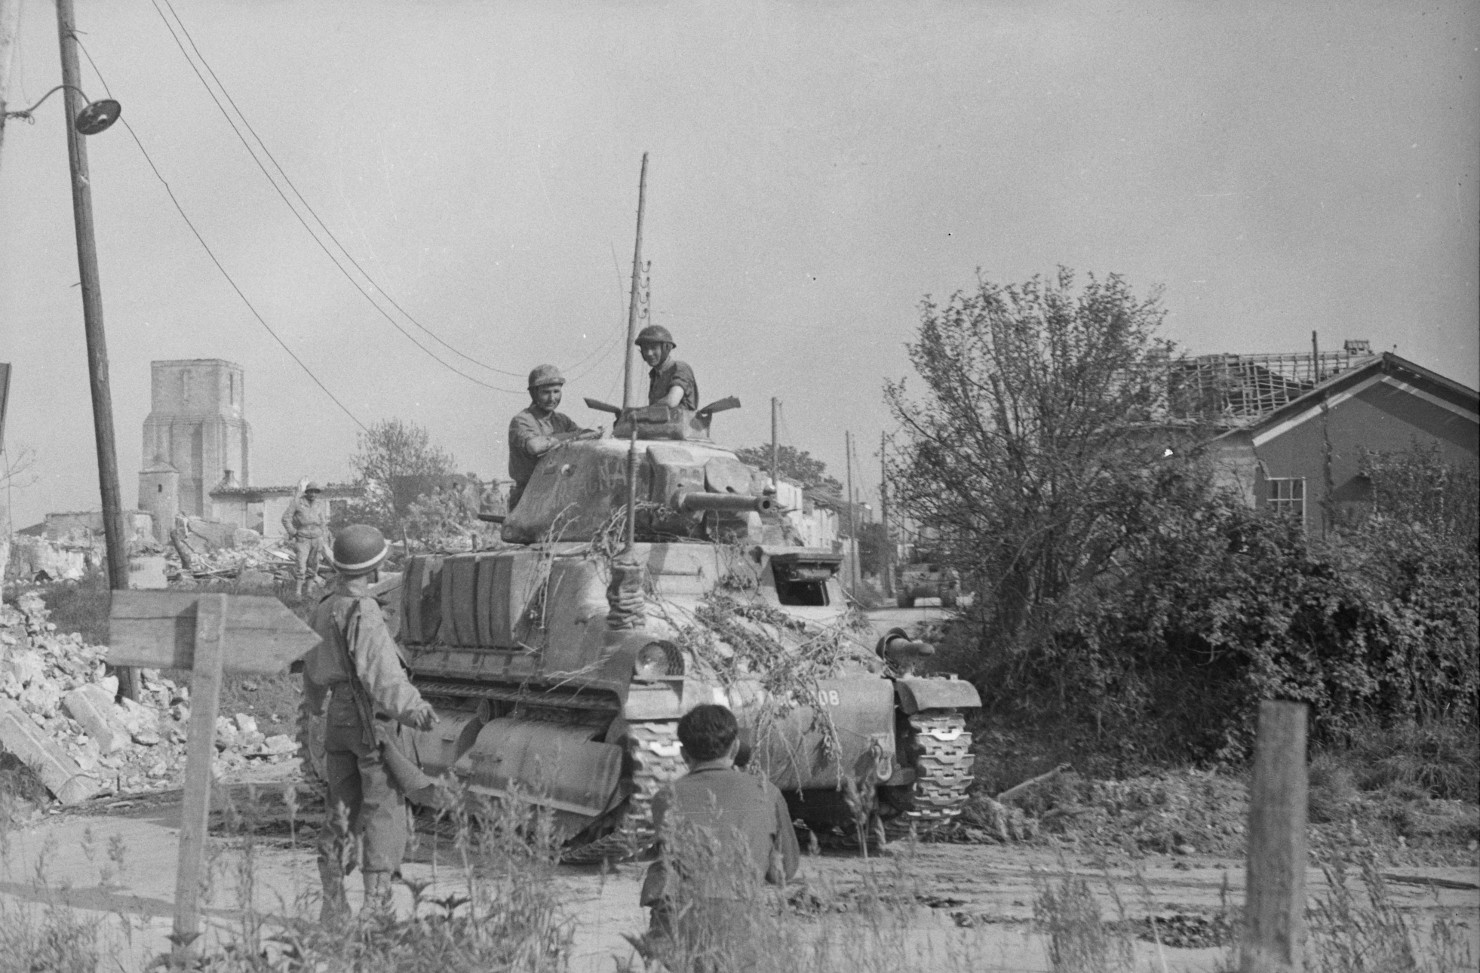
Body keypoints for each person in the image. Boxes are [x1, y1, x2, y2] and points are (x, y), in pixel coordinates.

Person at [300, 524, 437, 924]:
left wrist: (313, 706)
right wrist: (414, 709)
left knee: (341, 809)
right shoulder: (365, 610)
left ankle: (332, 905)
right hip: (368, 723)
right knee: (383, 810)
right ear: (377, 567)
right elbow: (382, 674)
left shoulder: (324, 607)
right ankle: (376, 909)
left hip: (337, 721)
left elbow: (310, 666)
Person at [639, 704, 800, 965]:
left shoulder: (664, 798)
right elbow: (784, 872)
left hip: (677, 929)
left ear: (683, 754)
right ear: (735, 748)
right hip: (740, 927)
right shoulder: (767, 792)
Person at [507, 364, 600, 510]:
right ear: (534, 393)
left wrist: (594, 434)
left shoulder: (562, 420)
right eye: (546, 392)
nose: (552, 398)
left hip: (557, 494)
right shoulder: (522, 420)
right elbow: (535, 446)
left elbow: (586, 437)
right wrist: (575, 435)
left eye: (556, 391)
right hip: (528, 495)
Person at [282, 481, 331, 597]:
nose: (313, 494)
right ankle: (298, 592)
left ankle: (309, 591)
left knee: (313, 565)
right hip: (303, 538)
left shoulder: (319, 504)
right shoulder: (297, 503)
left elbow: (323, 521)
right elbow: (285, 518)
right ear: (307, 492)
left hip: (316, 538)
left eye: (315, 492)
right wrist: (293, 532)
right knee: (301, 565)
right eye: (311, 491)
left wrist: (323, 535)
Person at [636, 324, 699, 411]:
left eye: (654, 348)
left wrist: (641, 411)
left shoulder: (680, 368)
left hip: (681, 423)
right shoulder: (655, 375)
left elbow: (672, 401)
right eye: (645, 349)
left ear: (666, 348)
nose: (649, 353)